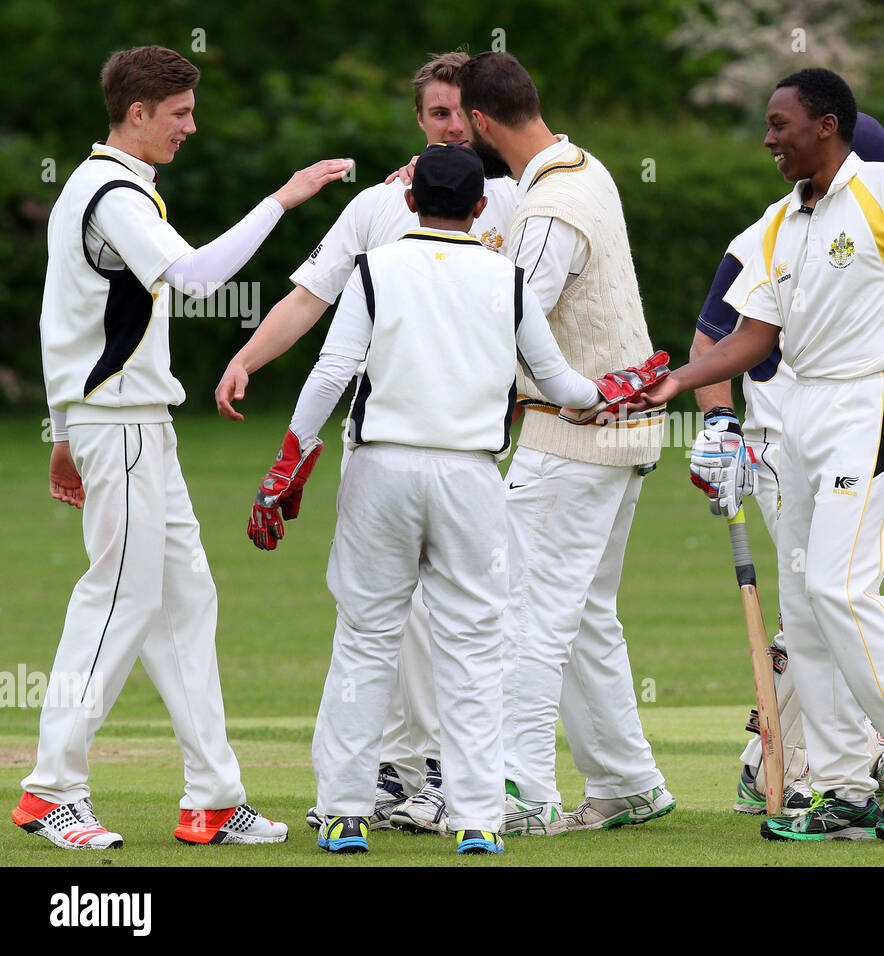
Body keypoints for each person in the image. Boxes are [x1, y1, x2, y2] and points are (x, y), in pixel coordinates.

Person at [249, 144, 661, 855]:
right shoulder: (506, 278)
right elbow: (560, 383)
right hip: (469, 477)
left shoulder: (376, 270)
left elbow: (332, 371)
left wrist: (291, 459)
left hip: (381, 470)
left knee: (365, 640)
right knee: (473, 647)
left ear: (409, 202)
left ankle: (345, 811)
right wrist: (615, 391)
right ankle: (477, 816)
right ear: (480, 210)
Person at [15, 45, 350, 850]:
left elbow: (61, 314)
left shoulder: (108, 188)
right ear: (137, 114)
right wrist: (285, 198)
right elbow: (199, 278)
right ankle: (49, 791)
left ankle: (212, 798)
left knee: (185, 602)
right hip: (123, 424)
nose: (190, 127)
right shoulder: (110, 191)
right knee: (120, 597)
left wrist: (64, 435)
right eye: (180, 114)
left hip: (132, 427)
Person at [641, 68, 884, 843]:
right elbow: (753, 339)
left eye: (780, 124)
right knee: (803, 606)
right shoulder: (777, 224)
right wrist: (672, 386)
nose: (768, 138)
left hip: (870, 399)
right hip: (792, 417)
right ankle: (840, 787)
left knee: (839, 588)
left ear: (825, 125)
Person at [214, 52, 517, 835]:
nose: (453, 126)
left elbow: (537, 333)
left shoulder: (516, 199)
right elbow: (310, 301)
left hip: (471, 449)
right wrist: (247, 358)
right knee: (389, 629)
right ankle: (397, 780)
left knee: (439, 631)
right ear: (421, 120)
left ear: (485, 115)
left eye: (463, 112)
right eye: (439, 114)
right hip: (382, 448)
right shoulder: (381, 207)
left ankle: (427, 783)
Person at [456, 51, 674, 834]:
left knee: (524, 611)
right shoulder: (581, 170)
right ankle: (627, 782)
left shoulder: (549, 207)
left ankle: (522, 792)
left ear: (483, 122)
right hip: (616, 431)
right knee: (582, 615)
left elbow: (514, 319)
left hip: (575, 435)